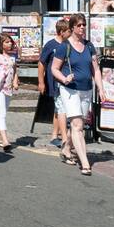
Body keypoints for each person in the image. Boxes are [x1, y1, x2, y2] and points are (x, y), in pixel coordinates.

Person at [51, 16, 103, 176]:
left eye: (84, 25)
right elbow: (54, 68)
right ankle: (85, 163)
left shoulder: (89, 46)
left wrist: (101, 88)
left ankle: (67, 149)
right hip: (70, 90)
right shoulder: (64, 47)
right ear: (72, 27)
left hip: (86, 89)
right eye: (79, 25)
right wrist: (64, 78)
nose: (82, 28)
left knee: (78, 124)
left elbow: (95, 69)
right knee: (77, 125)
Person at [39, 17, 73, 149]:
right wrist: (41, 82)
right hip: (53, 81)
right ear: (61, 32)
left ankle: (57, 134)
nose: (70, 33)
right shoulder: (51, 45)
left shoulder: (68, 45)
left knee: (59, 108)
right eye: (69, 31)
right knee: (59, 108)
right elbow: (41, 63)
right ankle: (55, 135)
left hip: (66, 81)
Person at [0, 33, 19, 150]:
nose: (10, 43)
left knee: (1, 113)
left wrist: (15, 82)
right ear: (1, 45)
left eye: (10, 41)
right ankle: (5, 140)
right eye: (6, 42)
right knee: (2, 114)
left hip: (7, 88)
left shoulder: (12, 58)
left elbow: (15, 71)